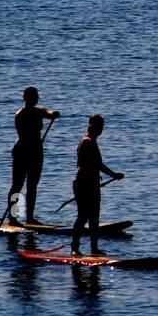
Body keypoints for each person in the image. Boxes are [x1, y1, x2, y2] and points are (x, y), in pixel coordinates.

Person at [70, 115, 124, 256]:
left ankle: (94, 249)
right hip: (84, 184)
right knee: (83, 216)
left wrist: (96, 175)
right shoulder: (88, 142)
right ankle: (74, 248)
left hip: (91, 183)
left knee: (94, 217)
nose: (101, 130)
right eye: (99, 126)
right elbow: (98, 164)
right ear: (92, 126)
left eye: (102, 127)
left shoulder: (87, 140)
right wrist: (114, 175)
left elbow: (89, 164)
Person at [8, 87, 59, 223]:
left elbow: (48, 112)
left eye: (36, 96)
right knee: (17, 185)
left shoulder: (39, 111)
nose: (35, 99)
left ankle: (29, 218)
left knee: (32, 186)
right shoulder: (20, 115)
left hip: (36, 152)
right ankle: (13, 217)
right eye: (33, 97)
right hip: (22, 152)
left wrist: (53, 113)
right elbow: (26, 133)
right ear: (26, 98)